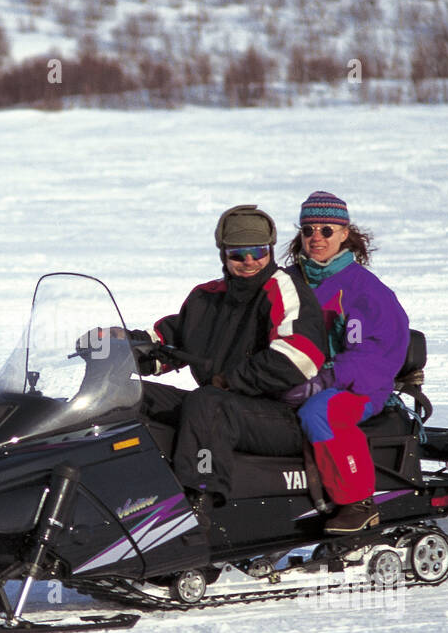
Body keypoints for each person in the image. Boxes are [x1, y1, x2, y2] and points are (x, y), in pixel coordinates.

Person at [136, 205, 327, 521]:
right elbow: (172, 339)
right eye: (239, 254)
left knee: (209, 404)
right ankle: (128, 494)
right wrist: (120, 345)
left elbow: (299, 356)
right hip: (225, 403)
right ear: (224, 254)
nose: (250, 261)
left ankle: (199, 501)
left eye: (258, 252)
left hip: (282, 413)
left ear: (269, 250)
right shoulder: (206, 297)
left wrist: (230, 380)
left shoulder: (282, 289)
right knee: (134, 396)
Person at [282, 191, 410, 534]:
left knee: (319, 411)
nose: (316, 238)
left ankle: (358, 503)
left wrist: (328, 378)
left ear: (344, 233)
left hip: (359, 387)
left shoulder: (367, 291)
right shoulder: (287, 282)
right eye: (308, 230)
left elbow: (379, 351)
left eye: (326, 230)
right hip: (295, 378)